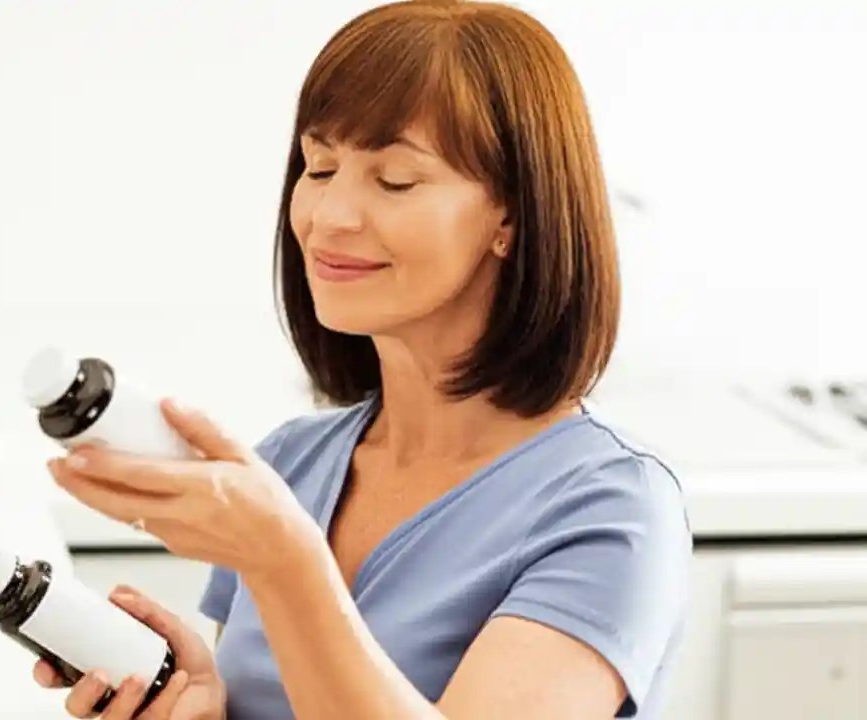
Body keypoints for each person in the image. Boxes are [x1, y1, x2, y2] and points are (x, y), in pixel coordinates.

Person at [36, 1, 692, 718]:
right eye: (320, 168)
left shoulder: (611, 509)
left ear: (511, 214)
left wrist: (285, 564)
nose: (329, 216)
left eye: (396, 181)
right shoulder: (291, 464)